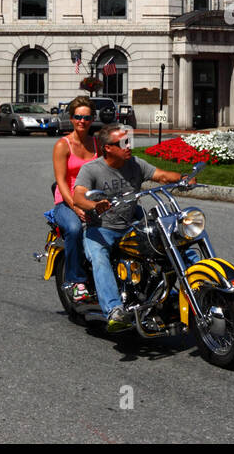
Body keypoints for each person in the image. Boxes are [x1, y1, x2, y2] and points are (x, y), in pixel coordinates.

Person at [72, 126, 193, 332]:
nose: (128, 146)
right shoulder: (91, 169)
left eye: (129, 141)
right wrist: (94, 206)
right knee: (100, 258)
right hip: (100, 228)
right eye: (123, 143)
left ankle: (196, 288)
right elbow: (78, 197)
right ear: (108, 148)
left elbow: (161, 175)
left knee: (170, 242)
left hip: (130, 226)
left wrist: (182, 178)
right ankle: (114, 310)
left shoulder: (135, 164)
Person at [47, 96, 99, 305]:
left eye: (86, 117)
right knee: (75, 228)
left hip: (93, 200)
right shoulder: (63, 145)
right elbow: (61, 181)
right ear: (71, 118)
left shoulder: (97, 143)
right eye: (77, 117)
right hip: (66, 201)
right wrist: (75, 206)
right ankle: (77, 282)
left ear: (92, 119)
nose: (82, 121)